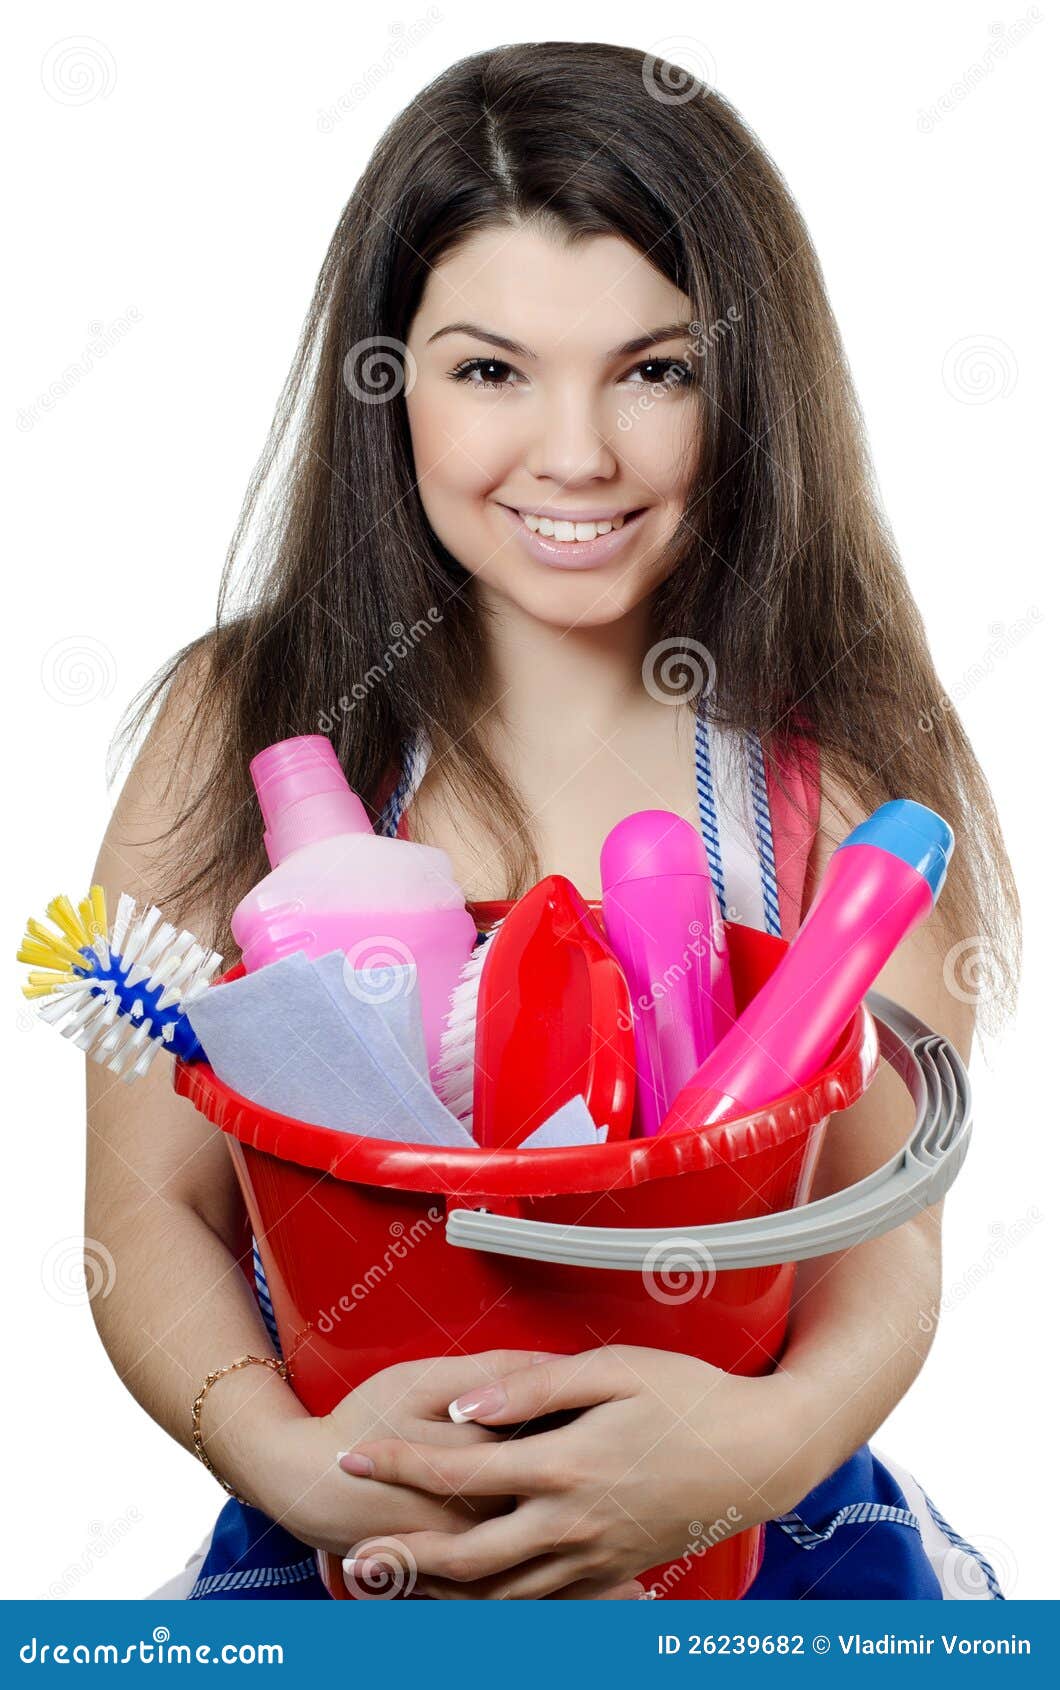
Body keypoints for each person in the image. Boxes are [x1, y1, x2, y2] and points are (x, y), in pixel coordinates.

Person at [88, 42, 1019, 1601]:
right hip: (344, 1536)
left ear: (745, 383)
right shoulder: (242, 724)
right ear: (387, 381)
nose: (576, 453)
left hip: (770, 1538)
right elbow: (146, 1203)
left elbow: (885, 1233)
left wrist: (756, 1447)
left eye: (656, 369)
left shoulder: (837, 754)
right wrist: (285, 1453)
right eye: (489, 368)